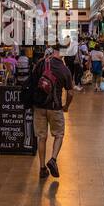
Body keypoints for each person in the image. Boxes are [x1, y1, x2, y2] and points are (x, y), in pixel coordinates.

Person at [28, 45, 74, 181]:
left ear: (53, 51)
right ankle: (53, 159)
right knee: (59, 134)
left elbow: (32, 81)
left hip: (39, 106)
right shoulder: (65, 70)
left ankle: (42, 168)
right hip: (55, 107)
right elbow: (70, 92)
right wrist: (66, 106)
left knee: (41, 137)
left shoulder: (42, 63)